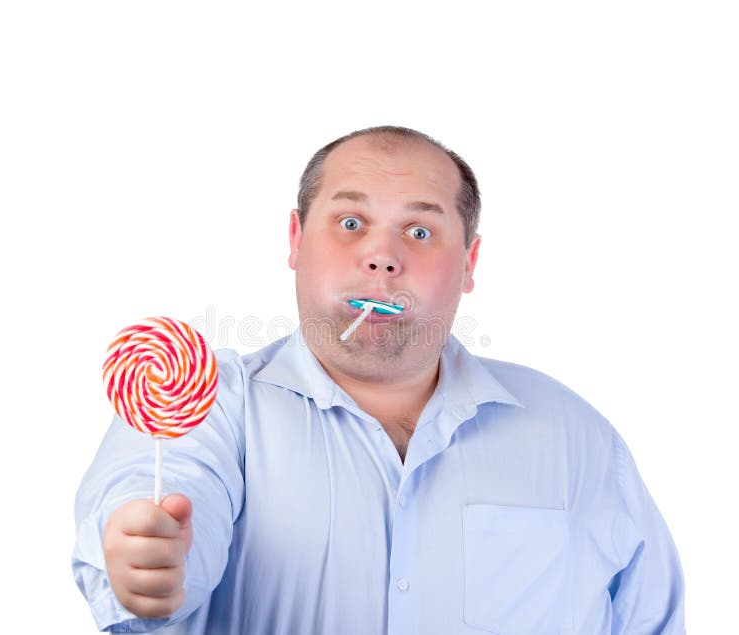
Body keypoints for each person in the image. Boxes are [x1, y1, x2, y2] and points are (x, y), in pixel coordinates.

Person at [73, 125, 686, 634]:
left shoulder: (576, 437)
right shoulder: (206, 403)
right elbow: (161, 499)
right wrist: (148, 558)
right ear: (296, 240)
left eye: (419, 232)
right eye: (350, 223)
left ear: (469, 262)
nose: (383, 257)